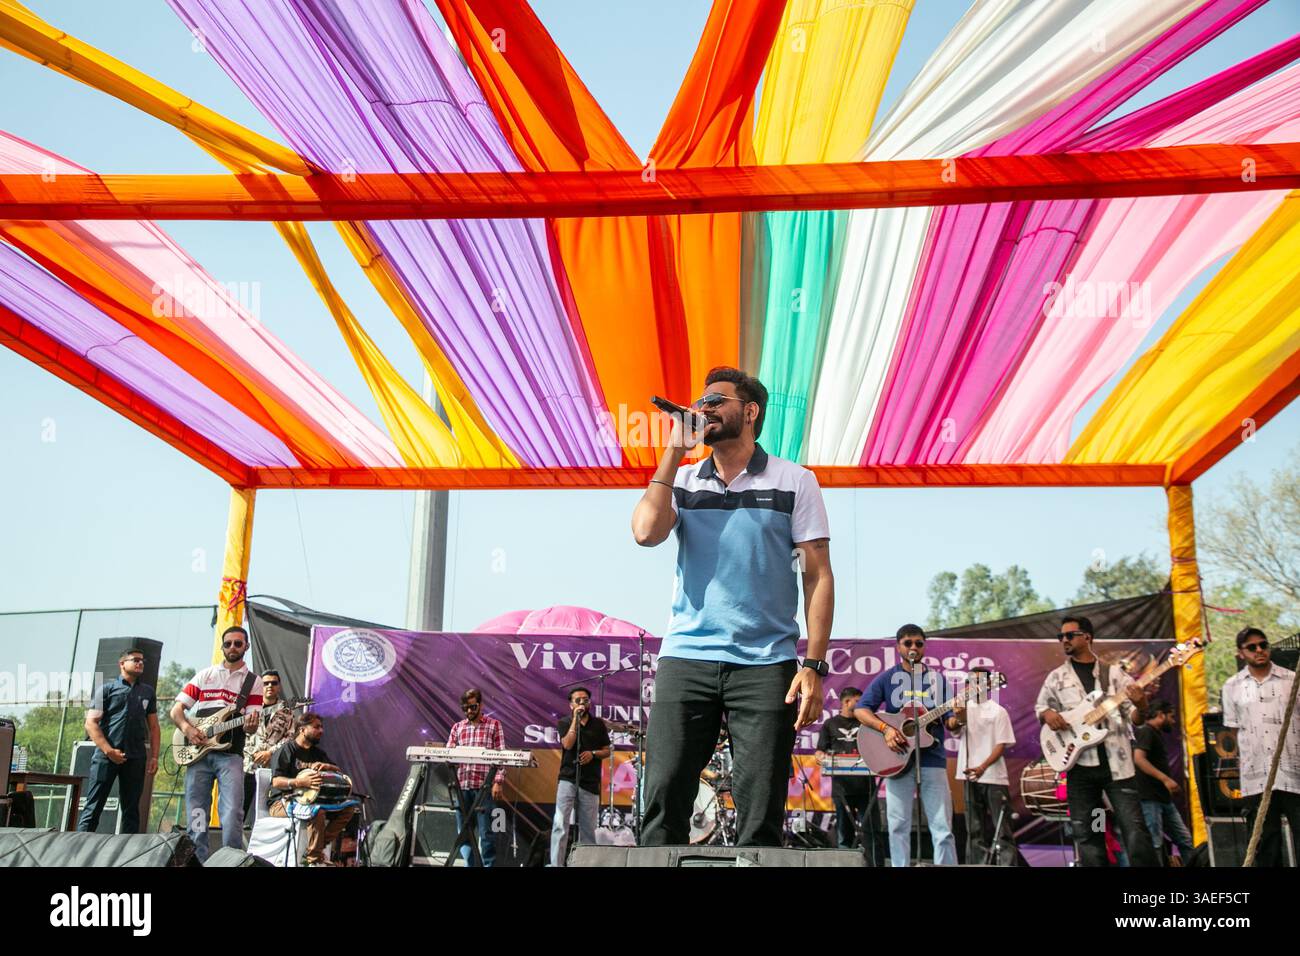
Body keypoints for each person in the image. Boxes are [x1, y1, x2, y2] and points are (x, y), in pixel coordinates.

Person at [632, 367, 833, 847]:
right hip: (687, 657)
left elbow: (817, 574)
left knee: (760, 806)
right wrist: (674, 448)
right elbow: (645, 533)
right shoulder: (682, 478)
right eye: (700, 401)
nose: (704, 408)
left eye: (716, 400)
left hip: (766, 664)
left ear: (749, 411)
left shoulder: (795, 480)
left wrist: (814, 665)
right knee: (663, 792)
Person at [1035, 615, 1157, 867]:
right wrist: (1048, 715)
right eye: (1061, 637)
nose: (1064, 641)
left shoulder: (1114, 676)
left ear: (1087, 637)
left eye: (1069, 635)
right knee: (1089, 834)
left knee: (1134, 830)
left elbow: (1135, 719)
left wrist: (1142, 704)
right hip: (1079, 768)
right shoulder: (1056, 678)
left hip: (1117, 766)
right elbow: (1041, 707)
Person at [855, 625, 958, 866]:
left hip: (932, 759)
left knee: (942, 826)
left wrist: (960, 716)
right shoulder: (888, 678)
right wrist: (887, 729)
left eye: (919, 643)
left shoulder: (937, 680)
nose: (914, 648)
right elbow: (861, 709)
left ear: (925, 646)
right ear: (898, 646)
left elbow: (951, 722)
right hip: (897, 758)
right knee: (898, 824)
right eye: (908, 643)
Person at [170, 625, 262, 863]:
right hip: (198, 753)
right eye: (228, 643)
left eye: (238, 643)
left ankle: (231, 860)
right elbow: (176, 710)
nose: (232, 647)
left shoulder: (254, 682)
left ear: (246, 647)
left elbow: (250, 725)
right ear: (222, 646)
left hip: (230, 754)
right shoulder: (206, 674)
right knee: (197, 812)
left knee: (231, 812)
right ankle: (197, 860)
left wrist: (251, 724)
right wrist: (188, 729)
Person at [1221, 626, 1300, 867]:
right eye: (1252, 647)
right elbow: (1232, 732)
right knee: (1266, 846)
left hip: (1294, 772)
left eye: (1263, 645)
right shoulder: (1232, 686)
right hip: (1256, 776)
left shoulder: (1292, 680)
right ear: (1240, 653)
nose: (1259, 650)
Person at [78, 647, 159, 834]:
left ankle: (128, 855)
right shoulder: (105, 689)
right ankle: (79, 850)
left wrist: (154, 756)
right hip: (106, 757)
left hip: (136, 757)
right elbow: (91, 723)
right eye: (135, 660)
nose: (140, 663)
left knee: (131, 811)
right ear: (122, 664)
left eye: (142, 661)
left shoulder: (148, 692)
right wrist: (109, 751)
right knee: (93, 806)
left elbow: (154, 727)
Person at [267, 712, 356, 866]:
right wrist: (300, 782)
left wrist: (328, 767)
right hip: (281, 803)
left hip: (310, 802)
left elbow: (338, 772)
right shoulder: (286, 750)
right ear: (302, 729)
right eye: (316, 727)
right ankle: (313, 860)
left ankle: (314, 849)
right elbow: (276, 782)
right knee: (317, 812)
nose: (321, 730)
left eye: (321, 727)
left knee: (348, 809)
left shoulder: (318, 753)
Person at [952, 666, 1017, 865]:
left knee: (1002, 827)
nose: (974, 685)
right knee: (974, 828)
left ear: (989, 684)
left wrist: (982, 767)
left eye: (979, 681)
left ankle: (1007, 864)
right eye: (970, 681)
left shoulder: (998, 710)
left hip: (993, 775)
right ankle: (977, 864)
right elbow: (954, 728)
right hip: (968, 775)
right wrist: (959, 712)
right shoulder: (963, 709)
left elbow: (1001, 744)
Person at [446, 687, 507, 867]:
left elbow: (501, 755)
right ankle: (471, 865)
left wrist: (498, 781)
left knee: (486, 833)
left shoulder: (494, 725)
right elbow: (448, 755)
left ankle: (487, 865)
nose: (469, 712)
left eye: (473, 707)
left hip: (484, 786)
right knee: (463, 832)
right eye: (465, 708)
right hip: (462, 785)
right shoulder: (457, 727)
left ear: (481, 705)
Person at [550, 686, 611, 866]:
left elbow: (607, 751)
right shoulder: (564, 722)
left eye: (585, 700)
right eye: (578, 700)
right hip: (568, 779)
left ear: (590, 702)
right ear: (571, 705)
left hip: (590, 782)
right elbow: (568, 744)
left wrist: (593, 753)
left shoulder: (598, 724)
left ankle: (586, 864)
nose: (582, 703)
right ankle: (556, 864)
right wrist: (575, 721)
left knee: (588, 830)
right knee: (560, 825)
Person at [815, 686, 879, 856]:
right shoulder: (831, 724)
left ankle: (874, 863)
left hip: (867, 787)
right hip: (842, 788)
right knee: (844, 833)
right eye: (858, 701)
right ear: (846, 702)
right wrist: (822, 757)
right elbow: (820, 750)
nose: (861, 704)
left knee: (872, 832)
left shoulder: (867, 722)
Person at [1133, 698, 1195, 865]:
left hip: (1162, 798)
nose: (1173, 721)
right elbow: (1139, 759)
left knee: (1185, 840)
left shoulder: (1155, 734)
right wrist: (1166, 779)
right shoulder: (1146, 731)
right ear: (1160, 715)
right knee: (1155, 843)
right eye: (1171, 716)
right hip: (1150, 798)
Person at [243, 669, 294, 821]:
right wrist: (252, 753)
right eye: (265, 683)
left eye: (274, 683)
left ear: (279, 686)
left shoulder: (286, 711)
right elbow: (241, 734)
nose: (270, 686)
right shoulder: (249, 707)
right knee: (240, 807)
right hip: (247, 765)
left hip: (271, 768)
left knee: (266, 810)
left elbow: (290, 738)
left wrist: (270, 753)